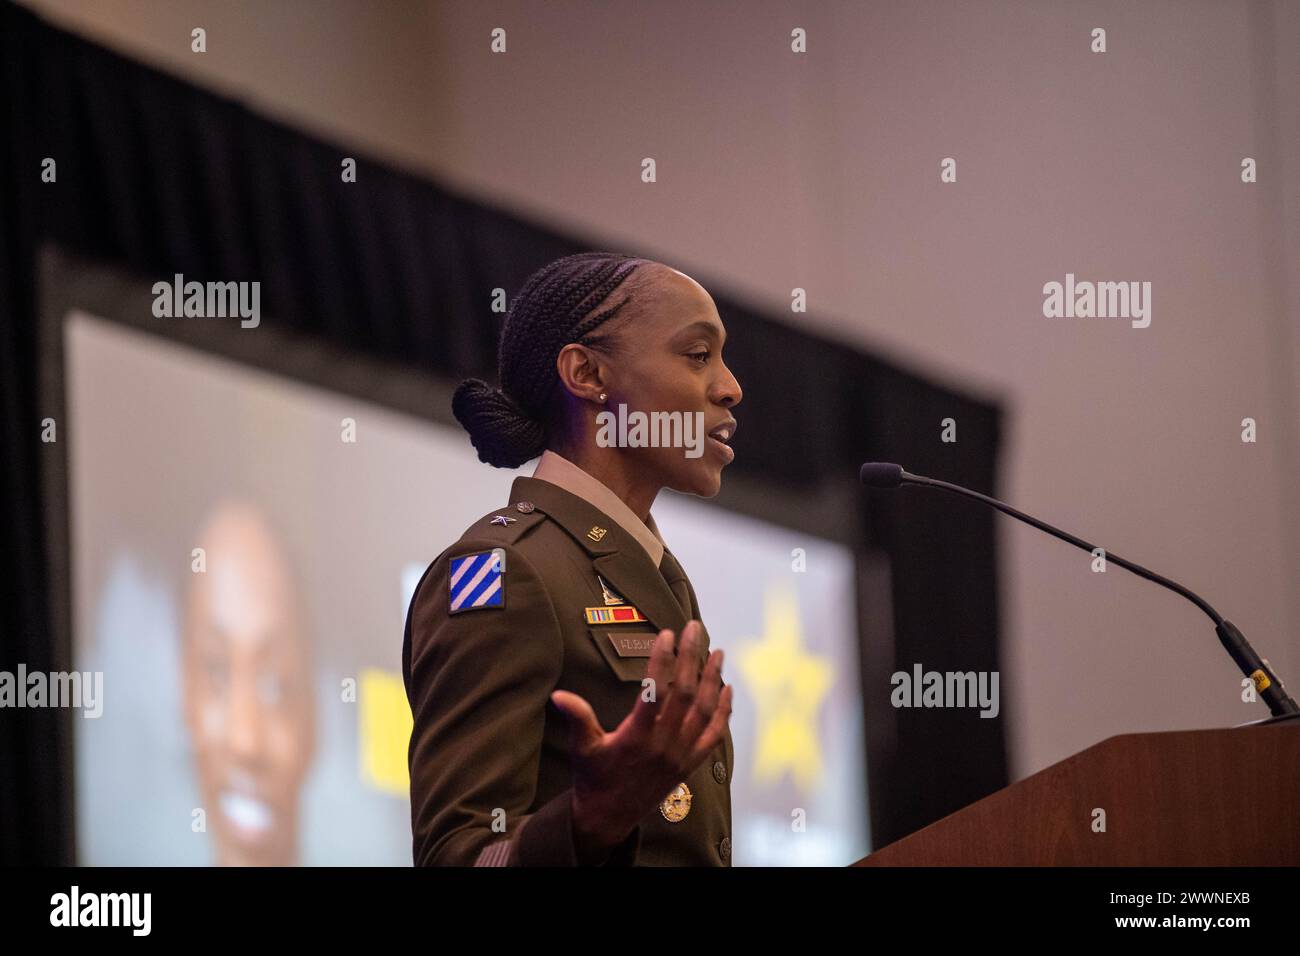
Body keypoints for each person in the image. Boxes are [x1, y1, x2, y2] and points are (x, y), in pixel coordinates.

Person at [402, 251, 743, 865]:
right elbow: (456, 855)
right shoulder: (508, 570)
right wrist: (590, 822)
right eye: (698, 355)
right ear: (587, 373)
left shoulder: (650, 570)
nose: (730, 386)